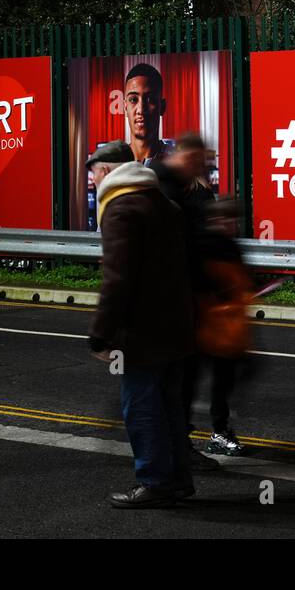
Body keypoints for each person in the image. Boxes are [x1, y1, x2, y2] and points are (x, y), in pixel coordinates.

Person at [86, 141, 198, 508]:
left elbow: (117, 279)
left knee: (142, 407)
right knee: (170, 407)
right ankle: (178, 478)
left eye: (93, 170)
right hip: (176, 324)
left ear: (107, 171)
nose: (91, 178)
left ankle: (155, 480)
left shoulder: (121, 209)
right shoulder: (163, 203)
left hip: (142, 332)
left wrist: (101, 333)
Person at [149, 132, 245, 462]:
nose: (203, 169)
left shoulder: (188, 194)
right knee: (170, 382)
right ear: (187, 158)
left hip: (189, 308)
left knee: (181, 380)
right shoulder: (164, 191)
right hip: (176, 308)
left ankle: (177, 445)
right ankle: (170, 453)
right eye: (200, 162)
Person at [123, 63, 169, 164]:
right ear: (125, 107)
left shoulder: (177, 168)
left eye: (150, 99)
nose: (141, 110)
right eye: (133, 99)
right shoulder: (113, 168)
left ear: (162, 107)